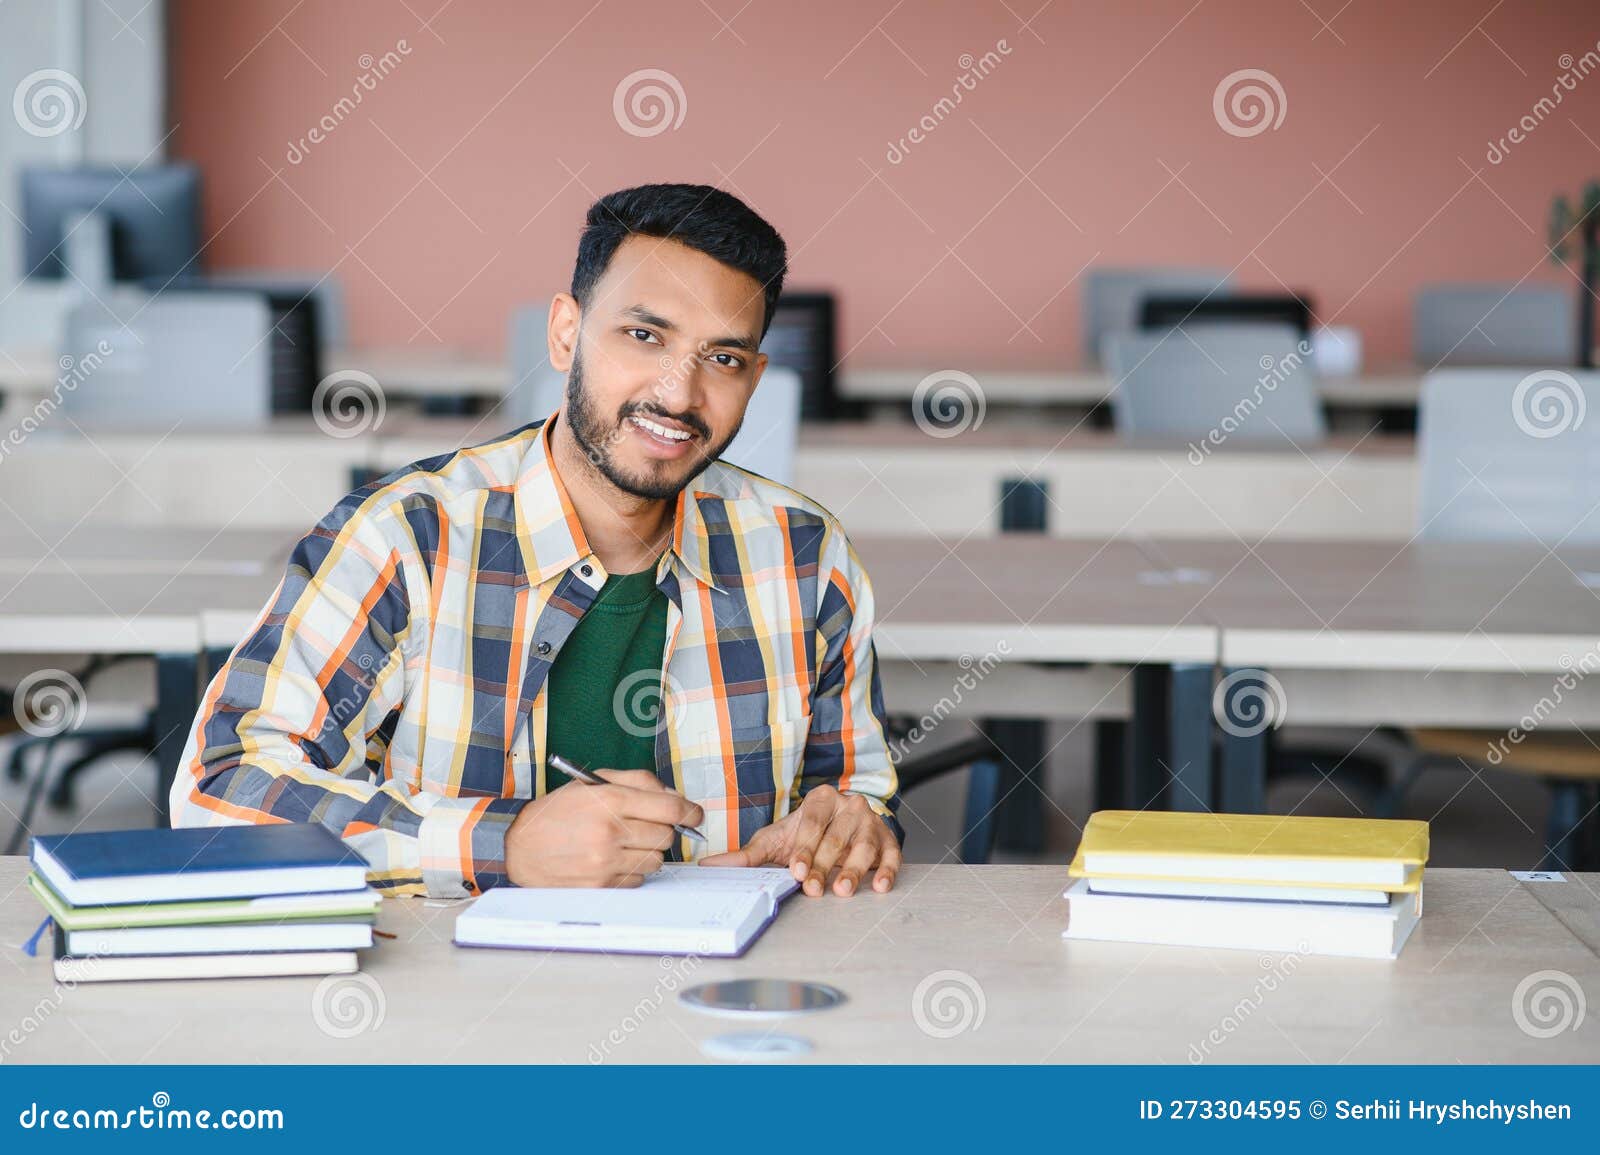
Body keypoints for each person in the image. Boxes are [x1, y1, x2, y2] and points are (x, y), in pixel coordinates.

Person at [171, 183, 902, 901]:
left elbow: (851, 795)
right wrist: (505, 845)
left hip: (714, 997)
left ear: (756, 379)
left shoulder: (806, 556)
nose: (680, 395)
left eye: (724, 359)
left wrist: (845, 828)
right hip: (450, 1006)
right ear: (564, 333)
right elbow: (219, 789)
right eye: (645, 336)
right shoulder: (406, 538)